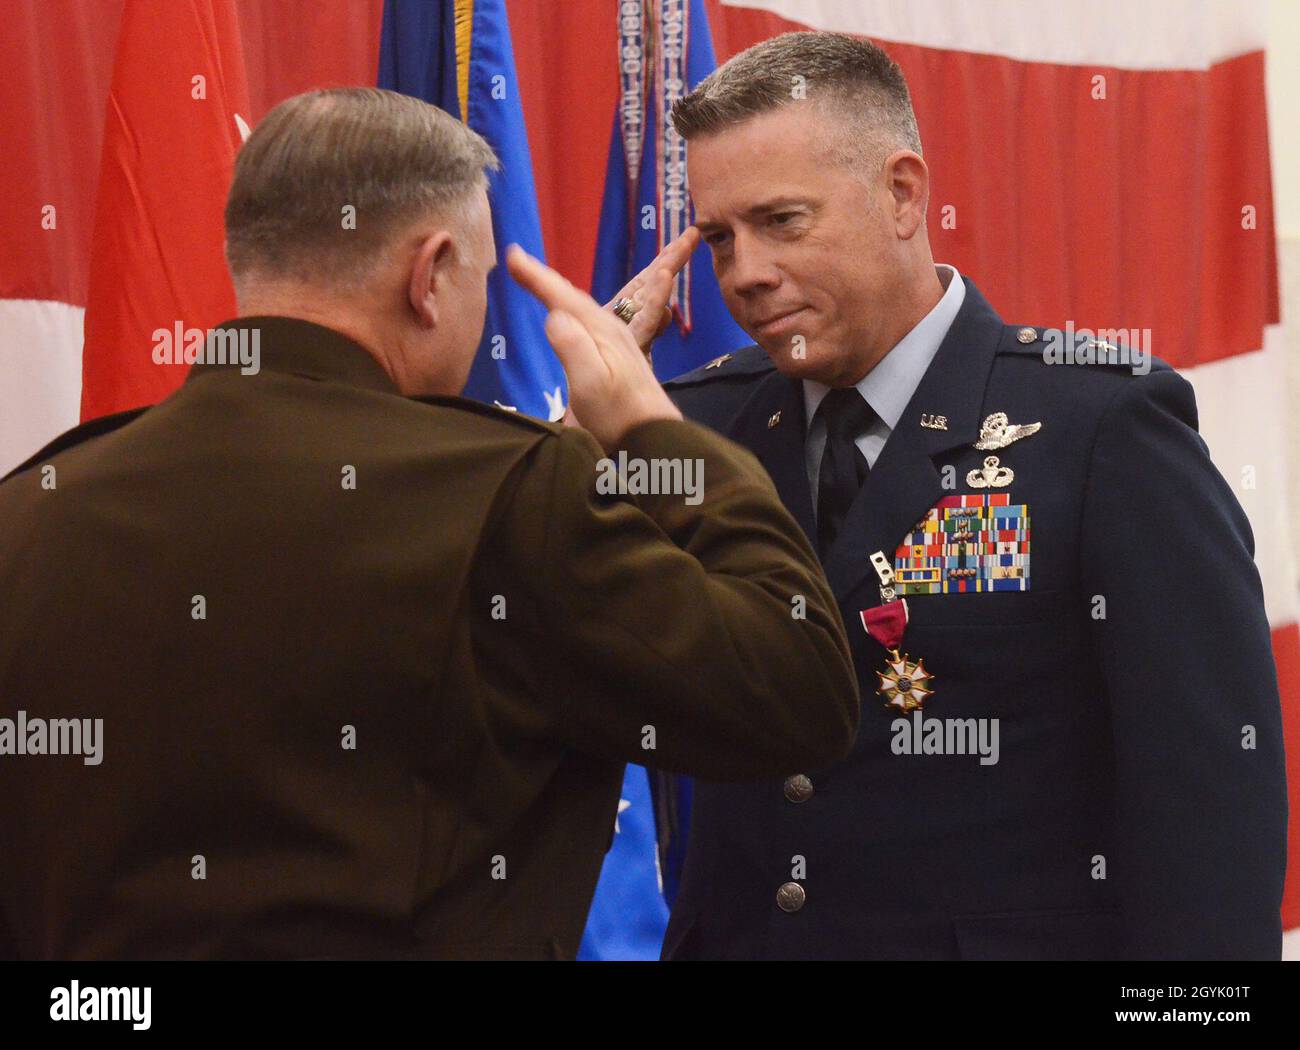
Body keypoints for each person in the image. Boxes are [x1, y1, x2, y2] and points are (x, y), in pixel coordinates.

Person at [0, 87, 859, 960]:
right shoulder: (513, 499)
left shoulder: (34, 506)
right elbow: (797, 688)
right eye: (482, 279)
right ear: (430, 273)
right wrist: (653, 434)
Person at [657, 31, 1287, 960]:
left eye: (782, 221)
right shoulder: (697, 428)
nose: (744, 271)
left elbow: (1206, 801)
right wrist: (592, 440)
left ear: (903, 193)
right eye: (718, 238)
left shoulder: (1100, 426)